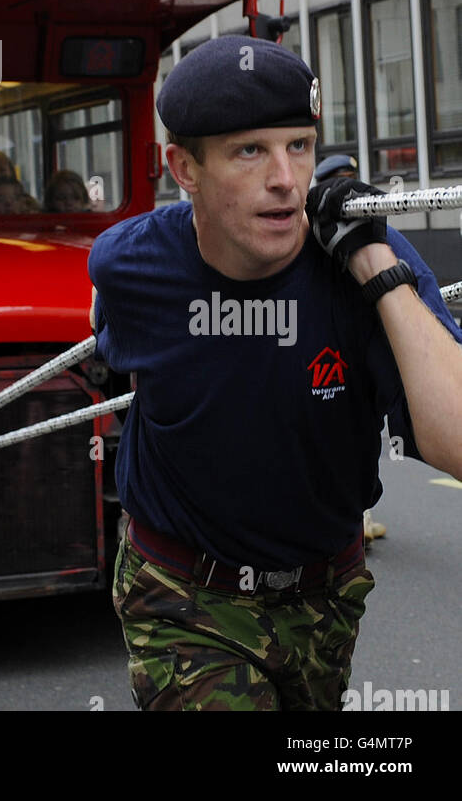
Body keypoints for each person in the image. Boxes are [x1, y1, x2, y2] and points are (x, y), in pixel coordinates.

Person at [89, 35, 462, 712]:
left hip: (324, 598)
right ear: (185, 168)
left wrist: (378, 274)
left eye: (299, 145)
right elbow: (116, 372)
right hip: (184, 597)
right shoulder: (130, 267)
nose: (286, 180)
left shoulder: (371, 255)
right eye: (249, 151)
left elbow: (457, 443)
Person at [313, 152, 385, 545]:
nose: (345, 185)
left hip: (357, 350)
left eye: (350, 177)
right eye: (337, 178)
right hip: (324, 350)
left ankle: (362, 513)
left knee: (363, 429)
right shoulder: (309, 230)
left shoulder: (368, 223)